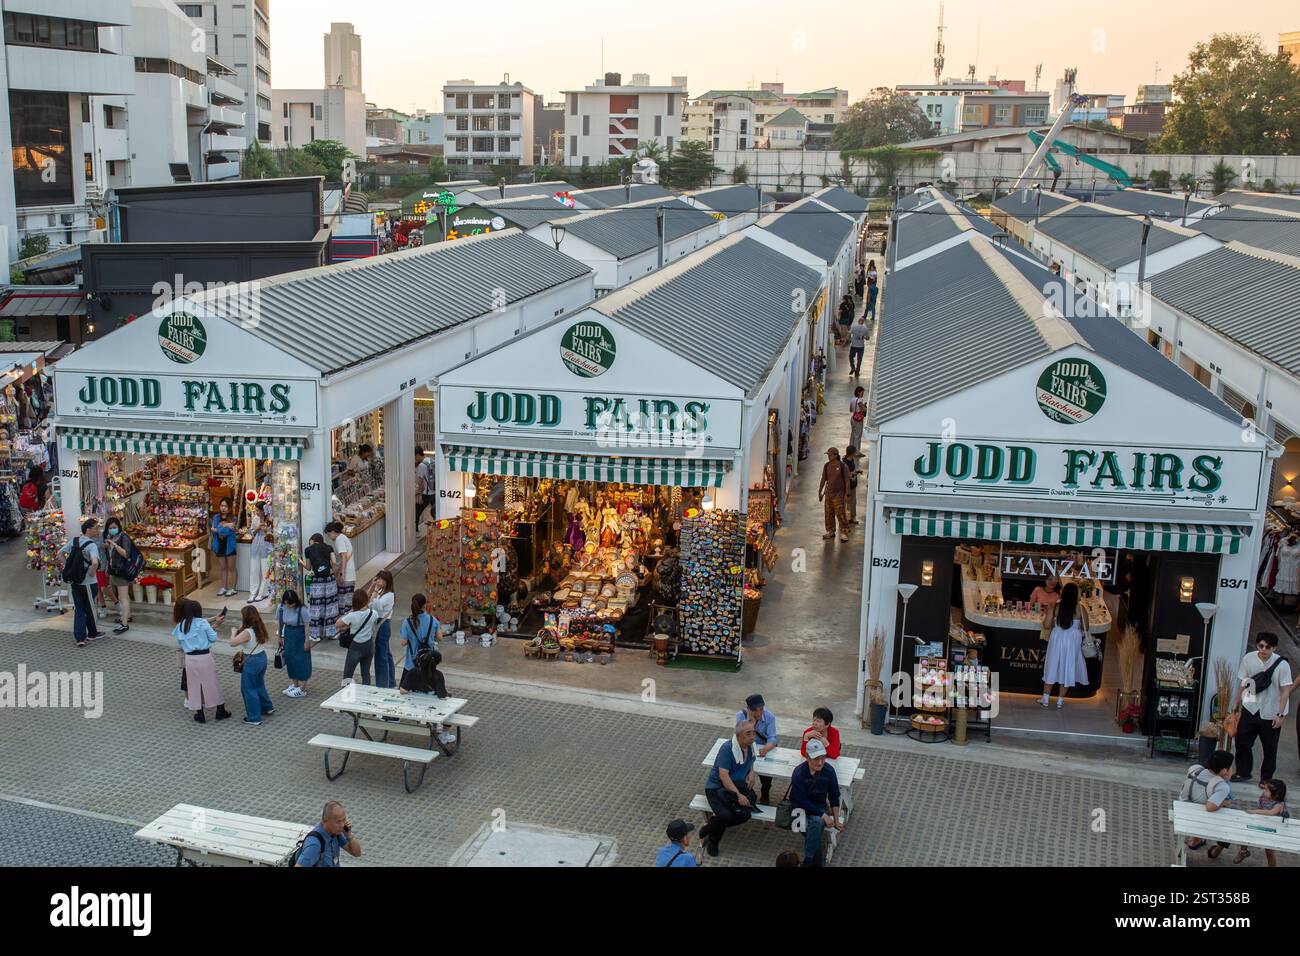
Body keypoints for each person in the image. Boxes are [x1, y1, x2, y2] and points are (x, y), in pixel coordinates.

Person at [1230, 632, 1292, 783]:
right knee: (1242, 740)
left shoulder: (1282, 665)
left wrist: (1280, 714)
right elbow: (1243, 683)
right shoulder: (1249, 659)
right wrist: (1236, 703)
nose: (1263, 649)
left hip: (1271, 710)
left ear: (1274, 648)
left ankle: (1266, 778)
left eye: (1267, 647)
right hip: (1250, 706)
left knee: (1270, 748)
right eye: (1260, 646)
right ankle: (1243, 771)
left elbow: (1285, 691)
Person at [697, 719, 759, 858]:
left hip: (736, 786)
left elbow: (751, 761)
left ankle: (711, 825)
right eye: (748, 733)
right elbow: (724, 776)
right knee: (725, 815)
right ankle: (713, 840)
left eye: (753, 732)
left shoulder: (751, 746)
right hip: (716, 788)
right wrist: (739, 795)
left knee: (745, 814)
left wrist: (751, 772)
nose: (752, 736)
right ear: (738, 736)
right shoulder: (727, 749)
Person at [173, 599, 231, 723]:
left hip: (190, 659)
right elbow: (213, 638)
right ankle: (220, 710)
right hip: (205, 657)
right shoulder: (203, 623)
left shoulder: (181, 625)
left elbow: (181, 643)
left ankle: (200, 714)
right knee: (212, 683)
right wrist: (208, 639)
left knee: (193, 686)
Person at [789, 737, 844, 866]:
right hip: (798, 810)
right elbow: (800, 800)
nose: (820, 762)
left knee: (815, 826)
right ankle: (812, 863)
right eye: (815, 759)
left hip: (819, 807)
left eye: (822, 758)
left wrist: (836, 820)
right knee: (816, 826)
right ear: (807, 758)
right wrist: (823, 814)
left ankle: (808, 862)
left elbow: (834, 796)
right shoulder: (799, 773)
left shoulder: (829, 771)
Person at [1040, 583, 1090, 708]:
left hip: (1057, 638)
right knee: (1068, 667)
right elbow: (1086, 627)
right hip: (1073, 640)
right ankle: (1060, 701)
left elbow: (1046, 625)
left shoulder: (1055, 606)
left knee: (1052, 665)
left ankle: (1045, 699)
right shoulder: (1080, 608)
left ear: (1063, 593)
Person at [1181, 750, 1234, 859]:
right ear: (1224, 770)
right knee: (1229, 820)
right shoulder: (1221, 785)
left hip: (1183, 809)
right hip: (1199, 818)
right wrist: (1225, 802)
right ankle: (1215, 851)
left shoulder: (1195, 768)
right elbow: (1210, 807)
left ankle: (1196, 839)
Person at [59, 517, 103, 647]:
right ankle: (92, 634)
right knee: (90, 608)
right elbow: (95, 562)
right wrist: (91, 572)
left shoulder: (74, 541)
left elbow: (60, 553)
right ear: (88, 530)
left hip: (75, 581)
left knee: (79, 609)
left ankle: (80, 637)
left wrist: (68, 566)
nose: (98, 530)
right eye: (96, 528)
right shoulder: (92, 545)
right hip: (88, 583)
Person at [230, 605, 275, 725]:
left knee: (248, 688)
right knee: (259, 684)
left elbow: (232, 643)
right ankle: (267, 707)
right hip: (262, 657)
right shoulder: (259, 626)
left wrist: (233, 633)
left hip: (251, 661)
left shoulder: (247, 632)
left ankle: (254, 718)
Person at [1234, 780, 1288, 866]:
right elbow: (1261, 806)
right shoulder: (1264, 797)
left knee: (1269, 851)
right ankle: (1243, 851)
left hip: (1272, 829)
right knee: (1245, 834)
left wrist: (1255, 811)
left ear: (1276, 795)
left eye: (1266, 790)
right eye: (1264, 789)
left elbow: (1271, 813)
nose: (1263, 791)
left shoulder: (1279, 804)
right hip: (1261, 822)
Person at [736, 694, 778, 804]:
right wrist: (752, 725)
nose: (759, 713)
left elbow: (772, 738)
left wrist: (765, 749)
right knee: (744, 772)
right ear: (749, 709)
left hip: (764, 748)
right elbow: (740, 738)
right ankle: (748, 792)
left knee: (766, 776)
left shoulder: (770, 717)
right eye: (756, 711)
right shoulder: (741, 716)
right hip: (746, 748)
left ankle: (765, 792)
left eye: (761, 709)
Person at [295, 800, 362, 868]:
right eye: (338, 821)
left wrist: (349, 835)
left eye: (344, 820)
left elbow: (357, 853)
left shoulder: (335, 833)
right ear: (325, 821)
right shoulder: (314, 844)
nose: (342, 825)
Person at [100, 516, 137, 634]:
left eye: (114, 527)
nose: (112, 529)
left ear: (119, 527)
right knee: (124, 596)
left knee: (122, 598)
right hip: (114, 570)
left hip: (122, 571)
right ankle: (127, 616)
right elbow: (110, 556)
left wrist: (114, 545)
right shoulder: (111, 537)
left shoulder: (123, 537)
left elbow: (126, 554)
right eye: (110, 528)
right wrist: (108, 546)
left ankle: (124, 624)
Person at [335, 589, 378, 687]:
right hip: (369, 646)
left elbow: (337, 624)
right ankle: (366, 694)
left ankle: (345, 693)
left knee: (348, 674)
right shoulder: (373, 613)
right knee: (366, 673)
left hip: (355, 647)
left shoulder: (352, 616)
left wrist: (350, 612)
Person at [399, 593, 440, 691]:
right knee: (429, 692)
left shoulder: (407, 622)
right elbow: (439, 637)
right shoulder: (432, 620)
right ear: (425, 605)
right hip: (429, 663)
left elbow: (403, 642)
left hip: (411, 664)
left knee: (404, 691)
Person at [303, 532, 338, 643]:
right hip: (329, 580)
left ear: (313, 541)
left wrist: (301, 562)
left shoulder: (308, 550)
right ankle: (331, 633)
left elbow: (308, 568)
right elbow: (334, 562)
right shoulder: (329, 547)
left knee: (316, 607)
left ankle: (315, 635)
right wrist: (336, 574)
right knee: (330, 606)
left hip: (317, 581)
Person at [277, 589, 312, 698]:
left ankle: (302, 688)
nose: (290, 605)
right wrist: (279, 636)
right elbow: (280, 623)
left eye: (292, 603)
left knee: (302, 660)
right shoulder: (281, 608)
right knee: (290, 659)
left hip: (300, 634)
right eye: (288, 603)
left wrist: (307, 641)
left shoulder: (302, 610)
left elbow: (307, 625)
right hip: (288, 634)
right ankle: (295, 684)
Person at [818, 447, 851, 543]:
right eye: (828, 455)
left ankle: (844, 532)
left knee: (841, 514)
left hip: (839, 495)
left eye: (830, 455)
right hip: (828, 494)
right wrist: (820, 491)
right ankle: (830, 530)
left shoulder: (843, 466)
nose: (828, 456)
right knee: (828, 514)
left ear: (836, 455)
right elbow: (823, 479)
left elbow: (847, 480)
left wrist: (847, 494)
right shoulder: (826, 466)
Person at [209, 498, 238, 597]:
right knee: (223, 568)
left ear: (229, 508)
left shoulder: (233, 518)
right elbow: (213, 529)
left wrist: (219, 529)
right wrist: (226, 526)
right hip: (219, 545)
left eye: (225, 506)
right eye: (222, 505)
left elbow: (229, 531)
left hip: (229, 545)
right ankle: (223, 587)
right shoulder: (216, 517)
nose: (223, 508)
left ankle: (232, 588)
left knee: (231, 568)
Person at [245, 503, 273, 604]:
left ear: (263, 510)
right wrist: (257, 528)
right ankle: (252, 593)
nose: (256, 512)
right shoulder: (255, 519)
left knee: (265, 571)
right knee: (254, 571)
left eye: (257, 510)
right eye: (256, 510)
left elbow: (273, 534)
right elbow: (251, 532)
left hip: (266, 547)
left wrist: (266, 530)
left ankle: (263, 593)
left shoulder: (270, 519)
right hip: (256, 547)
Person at [326, 521, 356, 611]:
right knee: (348, 603)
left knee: (344, 606)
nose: (328, 537)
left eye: (328, 534)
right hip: (350, 575)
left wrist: (341, 573)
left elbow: (344, 556)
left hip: (347, 576)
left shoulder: (339, 539)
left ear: (332, 532)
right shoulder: (343, 538)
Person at [1031, 574, 1062, 644]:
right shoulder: (1038, 590)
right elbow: (1031, 605)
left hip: (1052, 621)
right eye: (1050, 579)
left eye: (1055, 580)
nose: (1053, 582)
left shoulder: (1059, 593)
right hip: (1038, 618)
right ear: (1045, 580)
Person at [415, 447, 437, 530]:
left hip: (426, 494)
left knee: (417, 512)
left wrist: (420, 495)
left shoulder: (421, 466)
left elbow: (421, 483)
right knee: (435, 511)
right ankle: (438, 528)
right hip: (434, 492)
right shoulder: (430, 460)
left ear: (417, 455)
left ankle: (416, 531)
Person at [843, 446, 863, 526]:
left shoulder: (851, 460)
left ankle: (851, 518)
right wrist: (853, 473)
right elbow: (847, 475)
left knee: (853, 503)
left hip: (853, 485)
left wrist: (856, 472)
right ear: (852, 453)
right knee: (847, 503)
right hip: (848, 486)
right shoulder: (845, 463)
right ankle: (846, 519)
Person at [848, 385, 866, 452]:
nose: (863, 394)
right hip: (858, 419)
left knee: (853, 434)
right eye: (862, 392)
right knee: (858, 435)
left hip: (853, 417)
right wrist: (866, 409)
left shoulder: (852, 399)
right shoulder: (859, 400)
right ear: (858, 392)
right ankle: (856, 451)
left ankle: (851, 449)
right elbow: (863, 409)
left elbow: (850, 409)